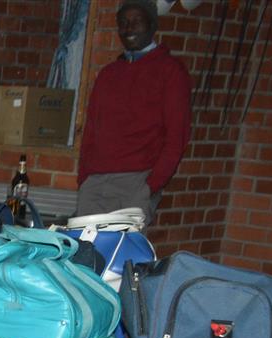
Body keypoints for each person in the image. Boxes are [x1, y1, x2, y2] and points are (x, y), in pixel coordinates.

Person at [75, 0, 191, 222]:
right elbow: (91, 130)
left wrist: (150, 186)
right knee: (84, 252)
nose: (128, 28)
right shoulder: (109, 74)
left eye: (136, 21)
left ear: (152, 25)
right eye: (123, 23)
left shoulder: (170, 72)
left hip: (136, 183)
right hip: (95, 184)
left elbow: (177, 138)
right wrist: (84, 178)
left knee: (124, 254)